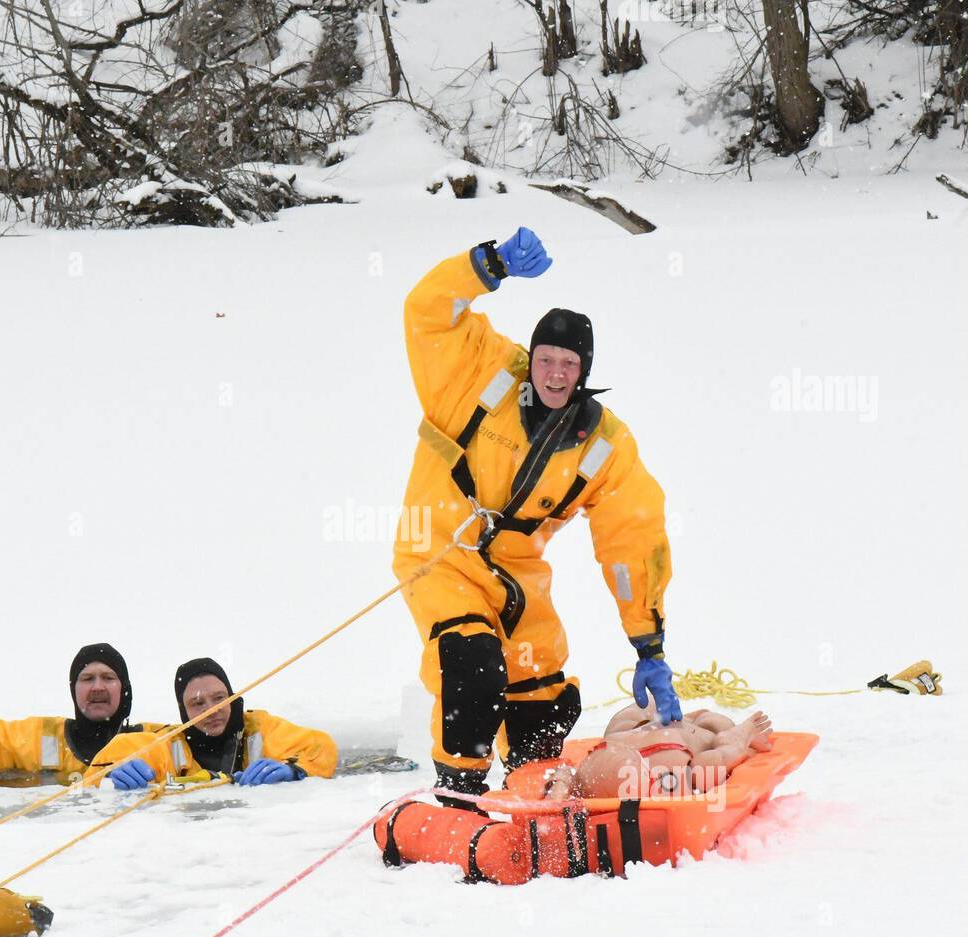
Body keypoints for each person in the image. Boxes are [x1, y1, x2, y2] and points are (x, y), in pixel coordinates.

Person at [395, 226, 681, 806]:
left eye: (567, 364)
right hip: (441, 554)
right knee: (472, 663)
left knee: (542, 693)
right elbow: (427, 312)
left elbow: (632, 537)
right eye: (545, 359)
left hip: (516, 576)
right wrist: (487, 265)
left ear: (583, 370)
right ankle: (459, 796)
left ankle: (531, 792)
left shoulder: (605, 444)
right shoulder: (479, 370)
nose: (553, 373)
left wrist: (647, 644)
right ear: (531, 359)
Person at [0, 627, 162, 786]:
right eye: (87, 678)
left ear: (124, 690)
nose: (97, 687)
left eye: (108, 678)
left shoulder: (160, 741)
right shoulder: (27, 739)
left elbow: (201, 751)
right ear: (74, 690)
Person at [96, 657, 338, 788]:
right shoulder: (166, 745)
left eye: (219, 698)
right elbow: (100, 767)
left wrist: (294, 770)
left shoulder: (260, 728)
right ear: (184, 712)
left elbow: (320, 746)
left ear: (233, 698)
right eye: (198, 704)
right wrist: (111, 776)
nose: (211, 710)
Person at [518, 702, 774, 800]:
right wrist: (743, 735)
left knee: (577, 780)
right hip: (661, 773)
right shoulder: (709, 734)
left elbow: (646, 705)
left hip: (607, 753)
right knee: (709, 767)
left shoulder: (632, 725)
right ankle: (565, 785)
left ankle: (561, 787)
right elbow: (718, 756)